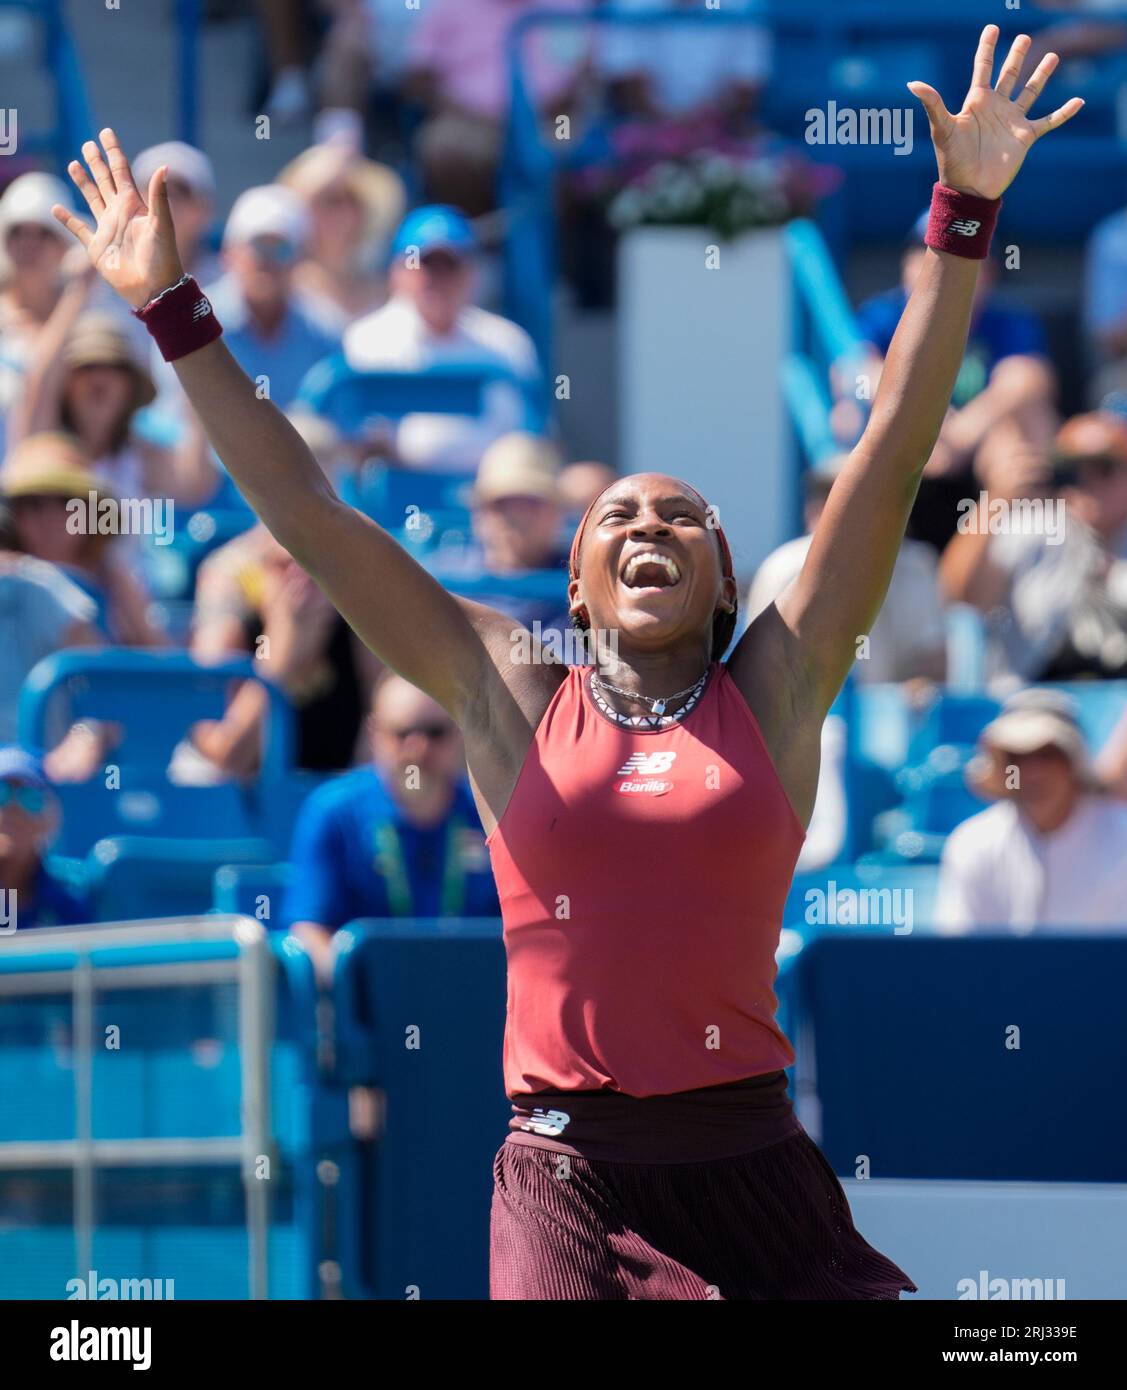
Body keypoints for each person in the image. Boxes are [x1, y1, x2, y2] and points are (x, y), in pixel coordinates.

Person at [57, 29, 1080, 1298]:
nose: (647, 527)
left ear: (720, 574)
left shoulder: (776, 680)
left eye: (680, 518)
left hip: (753, 1154)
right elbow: (310, 512)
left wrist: (961, 210)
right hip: (564, 1170)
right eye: (617, 519)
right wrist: (170, 308)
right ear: (578, 580)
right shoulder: (506, 687)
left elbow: (890, 443)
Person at [846, 208, 1058, 552]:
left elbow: (1028, 379)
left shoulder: (1008, 319)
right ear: (909, 265)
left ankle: (1024, 557)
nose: (950, 269)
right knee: (858, 406)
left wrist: (962, 433)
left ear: (989, 270)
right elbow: (860, 376)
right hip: (912, 449)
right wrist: (934, 428)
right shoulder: (881, 315)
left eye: (966, 256)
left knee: (1028, 420)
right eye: (936, 255)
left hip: (973, 450)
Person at [283, 671, 499, 980]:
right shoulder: (333, 812)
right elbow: (310, 932)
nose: (418, 748)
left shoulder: (492, 813)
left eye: (435, 732)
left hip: (473, 1007)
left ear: (459, 731)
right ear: (374, 734)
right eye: (402, 733)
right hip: (374, 1013)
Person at [340, 205, 542, 471]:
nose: (437, 278)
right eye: (426, 264)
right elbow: (358, 443)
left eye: (450, 264)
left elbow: (533, 439)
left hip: (496, 502)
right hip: (389, 499)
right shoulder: (365, 340)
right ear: (397, 272)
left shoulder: (508, 343)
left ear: (471, 272)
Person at [940, 411, 1127, 681]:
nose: (1087, 481)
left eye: (1103, 468)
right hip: (1033, 702)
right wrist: (996, 500)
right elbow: (960, 593)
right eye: (1073, 469)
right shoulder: (1036, 529)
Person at [935, 690, 1127, 933]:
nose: (1034, 773)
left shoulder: (1122, 839)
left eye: (1048, 754)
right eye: (1017, 757)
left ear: (1073, 764)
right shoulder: (973, 844)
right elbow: (962, 956)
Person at [748, 456, 947, 685]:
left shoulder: (916, 565)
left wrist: (911, 695)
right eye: (834, 494)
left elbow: (934, 667)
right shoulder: (784, 568)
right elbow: (762, 677)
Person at [403, 0, 592, 216]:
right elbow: (419, 76)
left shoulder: (566, 6)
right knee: (444, 149)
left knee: (566, 157)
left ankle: (546, 243)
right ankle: (475, 238)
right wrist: (462, 108)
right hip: (467, 120)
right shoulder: (449, 5)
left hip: (553, 119)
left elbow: (580, 74)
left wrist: (541, 110)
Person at [207, 186, 340, 414]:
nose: (267, 262)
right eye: (258, 247)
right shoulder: (189, 324)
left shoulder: (325, 334)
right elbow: (173, 421)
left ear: (300, 260)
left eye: (282, 249)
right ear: (230, 254)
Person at [277, 139, 406, 331]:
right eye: (332, 200)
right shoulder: (282, 287)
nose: (346, 211)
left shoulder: (387, 288)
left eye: (353, 200)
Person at [0, 173, 73, 457]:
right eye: (18, 231)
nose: (29, 243)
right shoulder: (81, 310)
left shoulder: (91, 320)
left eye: (44, 232)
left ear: (64, 246)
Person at [0, 746, 90, 930]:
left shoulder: (69, 901)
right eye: (1, 793)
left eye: (31, 798)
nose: (14, 808)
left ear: (52, 817)